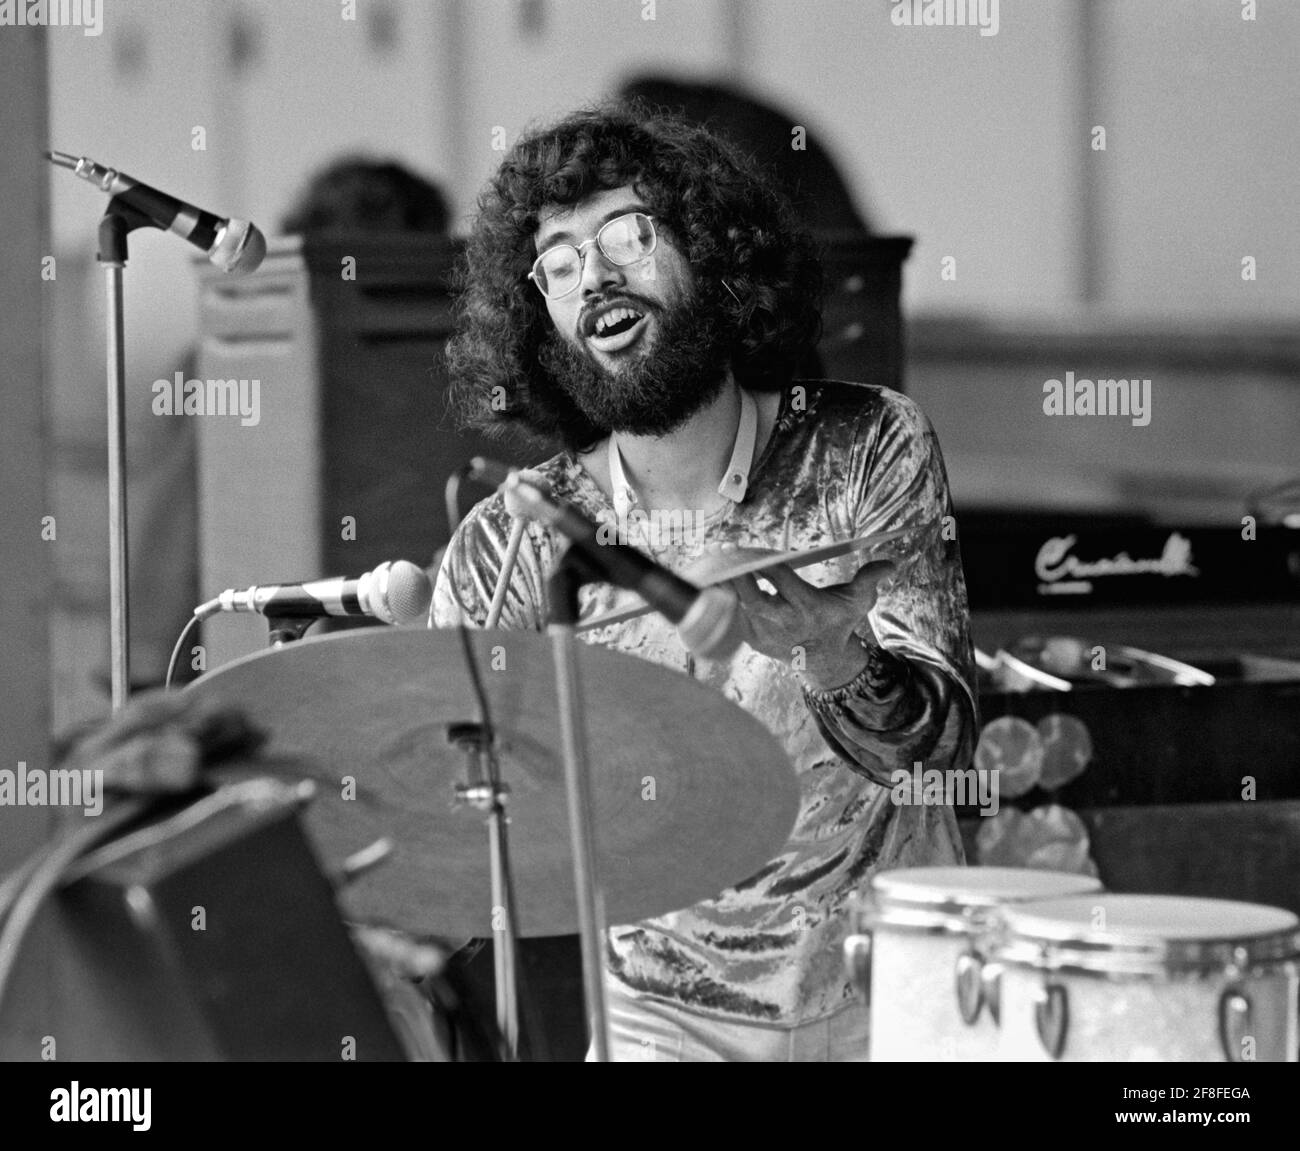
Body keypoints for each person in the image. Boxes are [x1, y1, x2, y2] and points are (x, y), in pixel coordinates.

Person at [432, 104, 977, 1062]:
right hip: (660, 1026)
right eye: (558, 263)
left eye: (628, 235)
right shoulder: (510, 543)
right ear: (543, 318)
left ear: (717, 253)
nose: (595, 274)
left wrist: (833, 649)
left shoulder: (864, 447)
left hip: (897, 998)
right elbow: (455, 841)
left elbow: (943, 758)